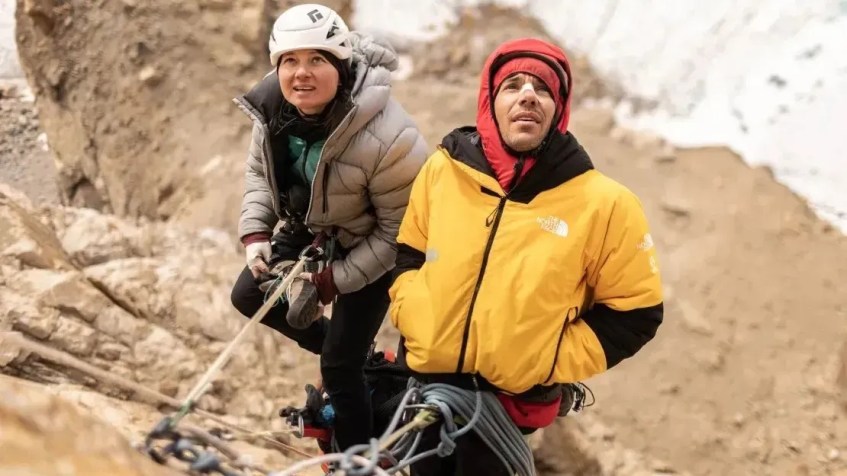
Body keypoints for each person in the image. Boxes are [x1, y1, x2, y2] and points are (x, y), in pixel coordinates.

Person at [388, 37, 664, 475]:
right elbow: (410, 253)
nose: (528, 95)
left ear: (559, 110)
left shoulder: (604, 204)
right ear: (490, 101)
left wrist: (547, 357)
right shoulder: (444, 170)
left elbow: (637, 312)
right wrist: (414, 314)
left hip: (509, 408)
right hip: (427, 386)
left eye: (543, 89)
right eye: (512, 85)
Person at [229, 3, 427, 452]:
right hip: (312, 229)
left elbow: (400, 234)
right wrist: (256, 236)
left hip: (372, 245)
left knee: (339, 367)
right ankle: (360, 359)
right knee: (247, 296)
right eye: (290, 61)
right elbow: (260, 176)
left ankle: (358, 458)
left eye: (317, 59)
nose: (302, 73)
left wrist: (329, 283)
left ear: (340, 65)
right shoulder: (273, 114)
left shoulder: (389, 136)